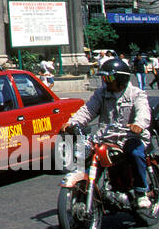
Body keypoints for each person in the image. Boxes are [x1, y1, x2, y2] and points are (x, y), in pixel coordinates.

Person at [62, 57, 152, 210]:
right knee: (89, 156)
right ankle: (87, 191)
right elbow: (88, 110)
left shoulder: (136, 94)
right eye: (104, 77)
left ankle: (141, 192)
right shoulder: (101, 94)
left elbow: (143, 111)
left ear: (121, 78)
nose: (106, 81)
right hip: (106, 137)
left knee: (135, 153)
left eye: (109, 77)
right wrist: (73, 122)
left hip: (130, 137)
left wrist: (139, 124)